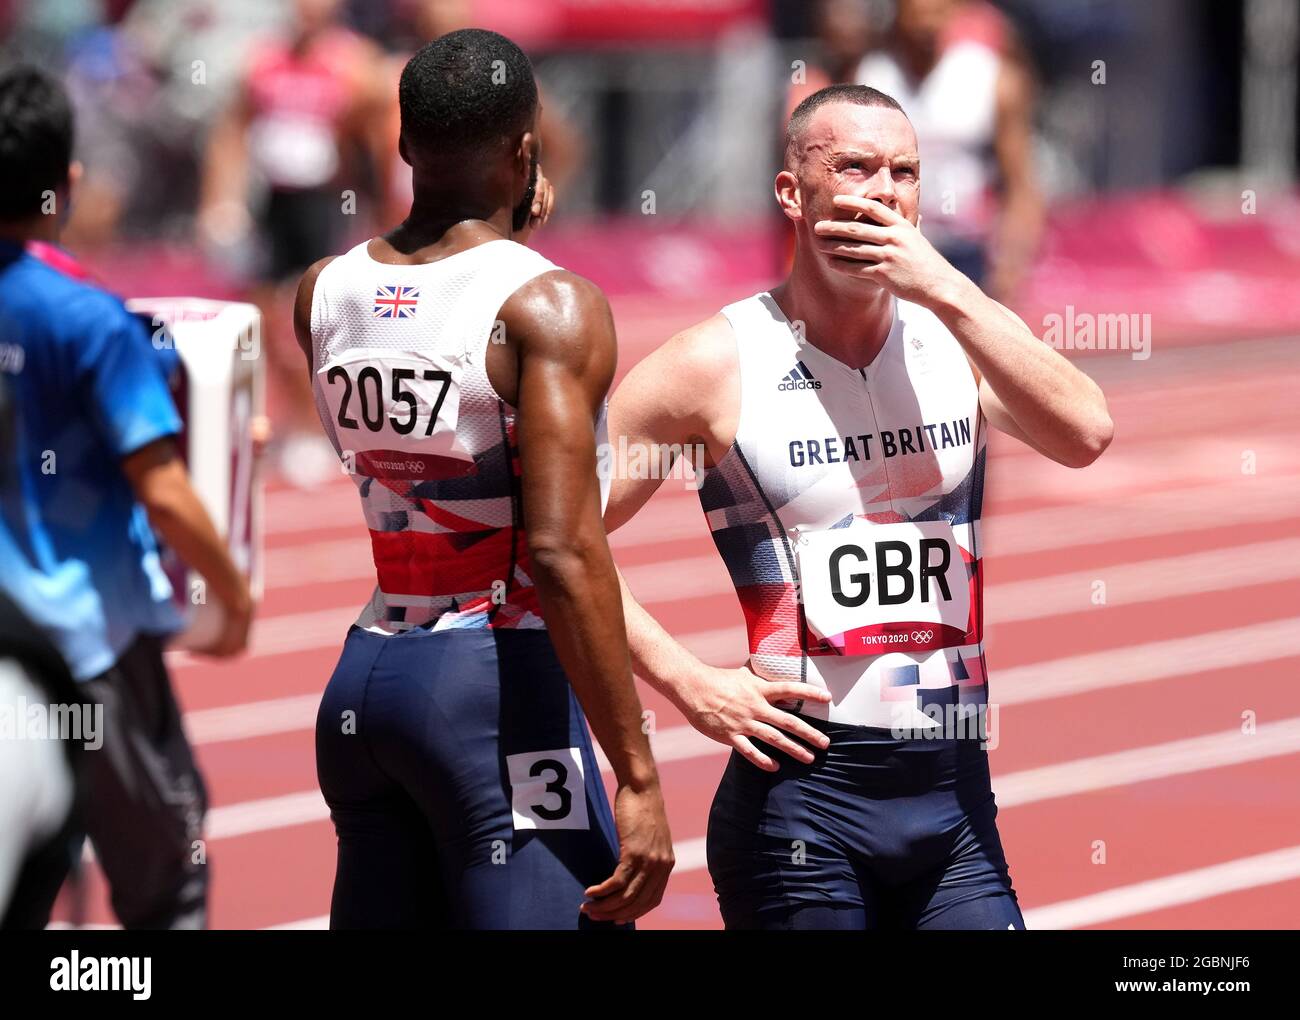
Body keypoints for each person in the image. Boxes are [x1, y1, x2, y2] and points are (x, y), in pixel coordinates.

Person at [604, 83, 1112, 930]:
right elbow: (553, 537)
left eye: (904, 172)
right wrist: (689, 684)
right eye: (854, 167)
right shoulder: (714, 365)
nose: (884, 191)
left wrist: (949, 288)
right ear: (792, 194)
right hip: (804, 802)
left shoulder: (960, 336)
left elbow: (1087, 431)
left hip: (951, 797)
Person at [298, 29, 673, 930]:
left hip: (367, 684)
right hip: (496, 690)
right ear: (527, 150)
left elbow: (420, 385)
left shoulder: (321, 290)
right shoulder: (549, 305)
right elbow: (561, 548)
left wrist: (504, 243)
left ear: (400, 145)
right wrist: (638, 772)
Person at [0, 65, 254, 929]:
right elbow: (166, 490)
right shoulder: (87, 319)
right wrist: (232, 594)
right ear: (64, 184)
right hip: (86, 647)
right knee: (166, 886)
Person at [856, 0, 1042, 302]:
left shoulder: (990, 78)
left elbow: (1020, 182)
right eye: (918, 14)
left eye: (938, 13)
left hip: (969, 250)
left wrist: (1011, 263)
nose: (928, 25)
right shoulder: (869, 77)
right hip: (896, 242)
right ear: (898, 13)